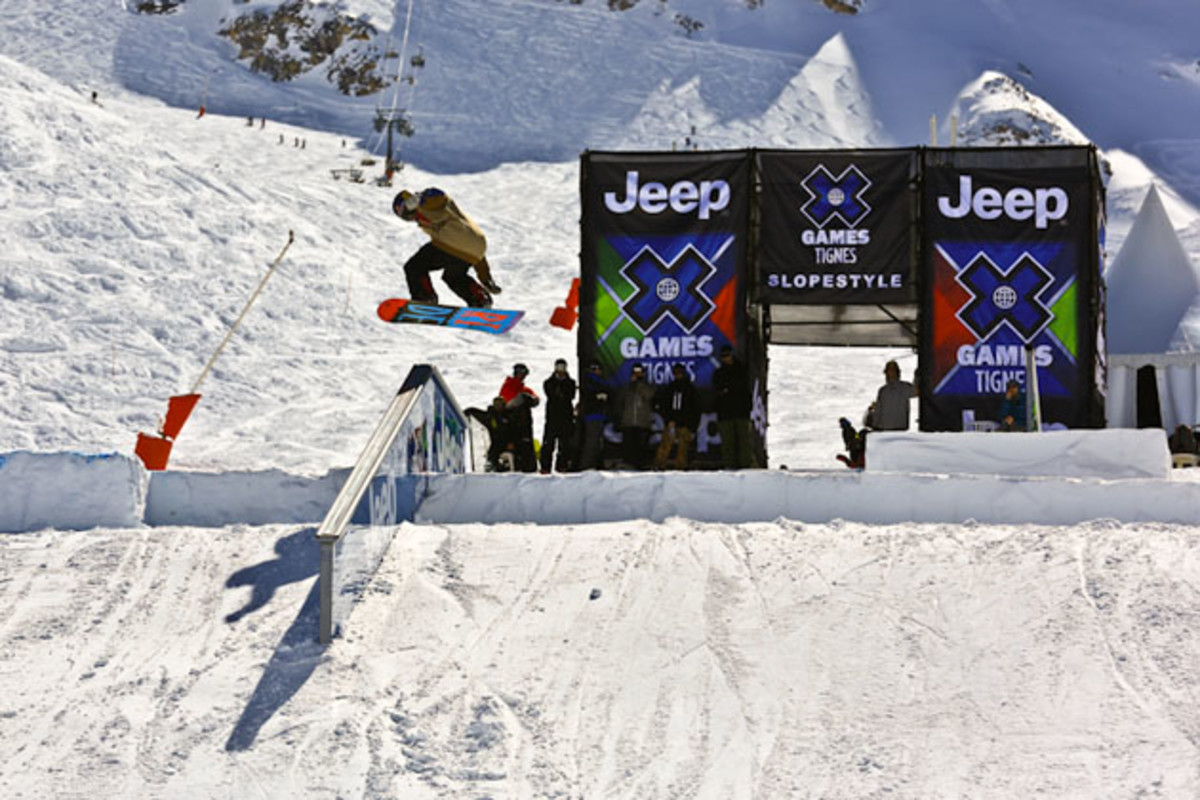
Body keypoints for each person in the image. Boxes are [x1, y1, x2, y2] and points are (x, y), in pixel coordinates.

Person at [392, 188, 501, 308]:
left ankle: (425, 298)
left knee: (414, 266)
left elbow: (439, 197)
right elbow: (473, 247)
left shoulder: (428, 205)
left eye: (406, 207)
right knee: (454, 277)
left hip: (456, 243)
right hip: (473, 247)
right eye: (402, 212)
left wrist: (421, 198)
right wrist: (485, 277)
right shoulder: (428, 221)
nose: (407, 213)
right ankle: (480, 299)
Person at [713, 346, 758, 469]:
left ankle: (746, 467)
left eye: (727, 355)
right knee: (728, 443)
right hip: (725, 413)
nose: (725, 358)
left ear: (732, 355)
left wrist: (728, 389)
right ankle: (730, 468)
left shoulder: (741, 370)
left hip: (741, 411)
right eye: (723, 356)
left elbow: (742, 388)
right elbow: (719, 390)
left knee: (744, 442)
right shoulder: (718, 373)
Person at [654, 363, 698, 470]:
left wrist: (692, 424)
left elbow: (695, 407)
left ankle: (680, 467)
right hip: (671, 423)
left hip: (685, 423)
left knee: (683, 448)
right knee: (665, 446)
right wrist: (668, 419)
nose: (678, 375)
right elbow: (664, 405)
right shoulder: (670, 388)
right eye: (676, 373)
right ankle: (659, 465)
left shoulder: (690, 389)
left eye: (680, 373)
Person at [499, 364, 539, 471]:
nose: (522, 376)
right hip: (512, 424)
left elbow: (535, 398)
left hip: (524, 425)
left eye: (524, 373)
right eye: (520, 373)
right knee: (516, 447)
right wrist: (523, 398)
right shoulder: (508, 386)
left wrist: (532, 398)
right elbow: (508, 401)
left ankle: (528, 467)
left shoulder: (524, 389)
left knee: (525, 445)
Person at [541, 359, 577, 473]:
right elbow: (551, 394)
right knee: (548, 444)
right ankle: (545, 467)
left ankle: (562, 466)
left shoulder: (571, 382)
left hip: (566, 418)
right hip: (552, 418)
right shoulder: (548, 382)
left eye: (563, 367)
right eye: (559, 367)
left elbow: (570, 395)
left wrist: (561, 392)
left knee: (565, 444)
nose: (561, 370)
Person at [617, 363, 657, 469]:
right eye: (636, 372)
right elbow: (620, 401)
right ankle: (629, 465)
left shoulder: (648, 385)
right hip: (628, 421)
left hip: (642, 422)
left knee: (641, 447)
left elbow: (650, 395)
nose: (637, 374)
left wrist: (639, 384)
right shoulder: (626, 387)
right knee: (628, 446)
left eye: (640, 372)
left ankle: (640, 465)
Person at [465, 396, 515, 472]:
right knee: (494, 449)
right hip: (496, 443)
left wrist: (512, 442)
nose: (498, 406)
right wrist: (469, 411)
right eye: (496, 404)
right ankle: (492, 465)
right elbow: (478, 414)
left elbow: (514, 430)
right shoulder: (491, 416)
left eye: (500, 404)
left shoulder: (509, 415)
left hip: (508, 443)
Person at [577, 359, 610, 470]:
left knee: (598, 442)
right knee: (591, 442)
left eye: (599, 369)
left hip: (601, 415)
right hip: (592, 415)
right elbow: (588, 396)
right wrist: (597, 397)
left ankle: (595, 465)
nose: (598, 371)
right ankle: (585, 466)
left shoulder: (601, 382)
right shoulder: (589, 381)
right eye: (595, 369)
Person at [867, 360, 917, 431]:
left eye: (892, 371)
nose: (891, 373)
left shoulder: (903, 388)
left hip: (894, 430)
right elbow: (878, 410)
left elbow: (916, 392)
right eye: (889, 371)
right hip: (894, 429)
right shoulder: (883, 390)